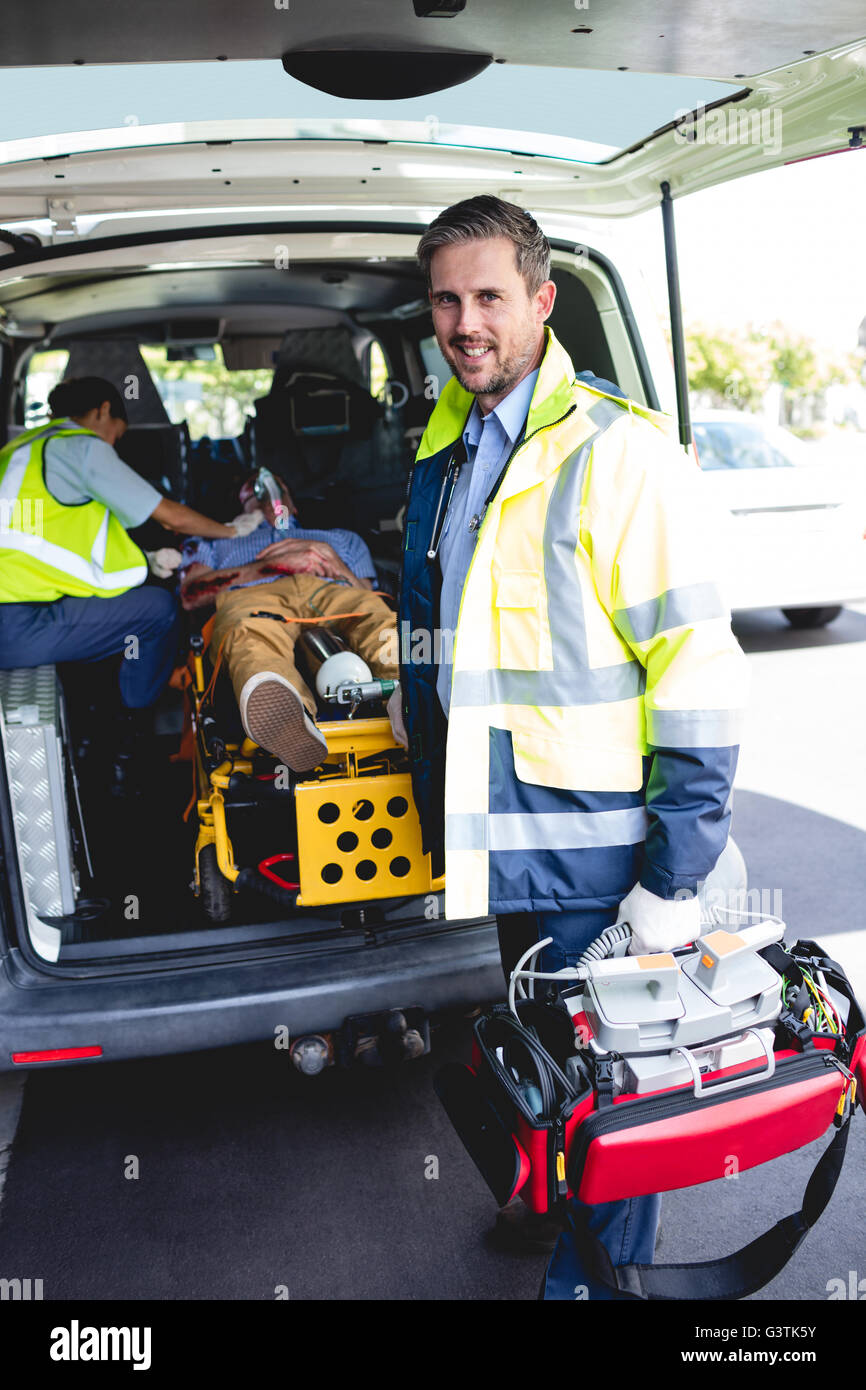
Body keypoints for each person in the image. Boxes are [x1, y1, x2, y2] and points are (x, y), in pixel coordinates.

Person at [388, 195, 750, 1298]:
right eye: (447, 300)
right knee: (547, 1083)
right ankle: (555, 1212)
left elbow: (695, 668)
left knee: (614, 1106)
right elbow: (445, 638)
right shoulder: (443, 457)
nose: (466, 322)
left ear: (541, 302)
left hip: (602, 866)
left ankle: (586, 1287)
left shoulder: (616, 450)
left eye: (489, 295)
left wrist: (673, 879)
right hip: (500, 849)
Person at [0, 376, 260, 791]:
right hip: (18, 623)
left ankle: (112, 723)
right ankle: (132, 736)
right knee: (157, 612)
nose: (114, 445)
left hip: (16, 605)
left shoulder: (20, 450)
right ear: (104, 411)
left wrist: (144, 561)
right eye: (117, 433)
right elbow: (168, 516)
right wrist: (232, 531)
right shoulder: (82, 447)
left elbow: (47, 543)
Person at [178, 471, 399, 771]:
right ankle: (288, 718)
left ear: (292, 505)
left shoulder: (342, 539)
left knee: (375, 617)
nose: (266, 497)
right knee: (250, 635)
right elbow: (191, 594)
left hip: (329, 589)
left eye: (276, 491)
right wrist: (268, 566)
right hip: (255, 597)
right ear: (241, 509)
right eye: (254, 496)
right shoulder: (214, 542)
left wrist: (335, 562)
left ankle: (407, 694)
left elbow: (367, 594)